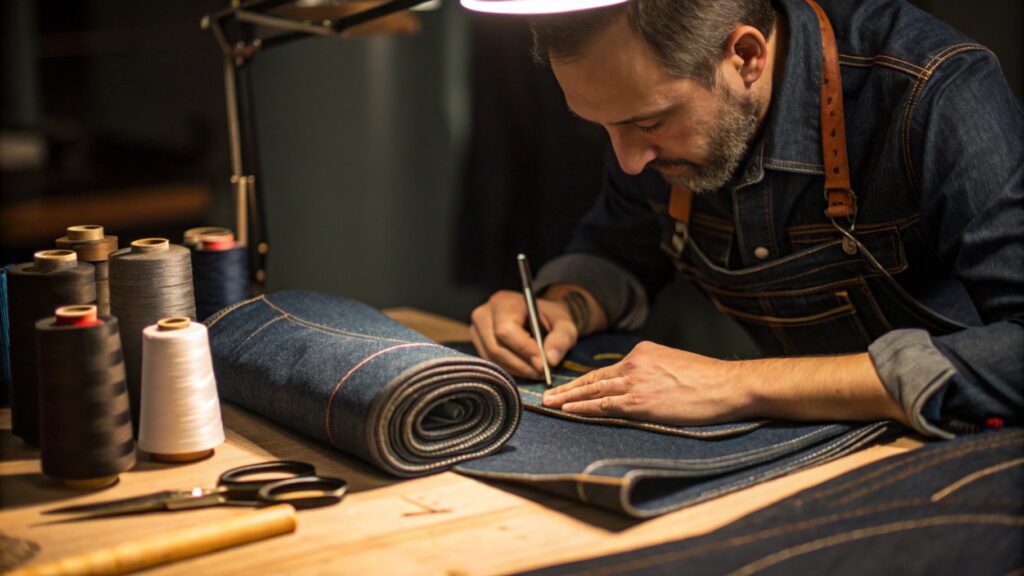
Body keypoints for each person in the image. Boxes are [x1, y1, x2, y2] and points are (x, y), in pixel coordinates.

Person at [469, 0, 1023, 438]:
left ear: (746, 57)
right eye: (603, 128)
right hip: (808, 446)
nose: (628, 161)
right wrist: (562, 305)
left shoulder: (934, 92)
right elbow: (619, 248)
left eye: (649, 122)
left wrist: (736, 385)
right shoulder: (642, 125)